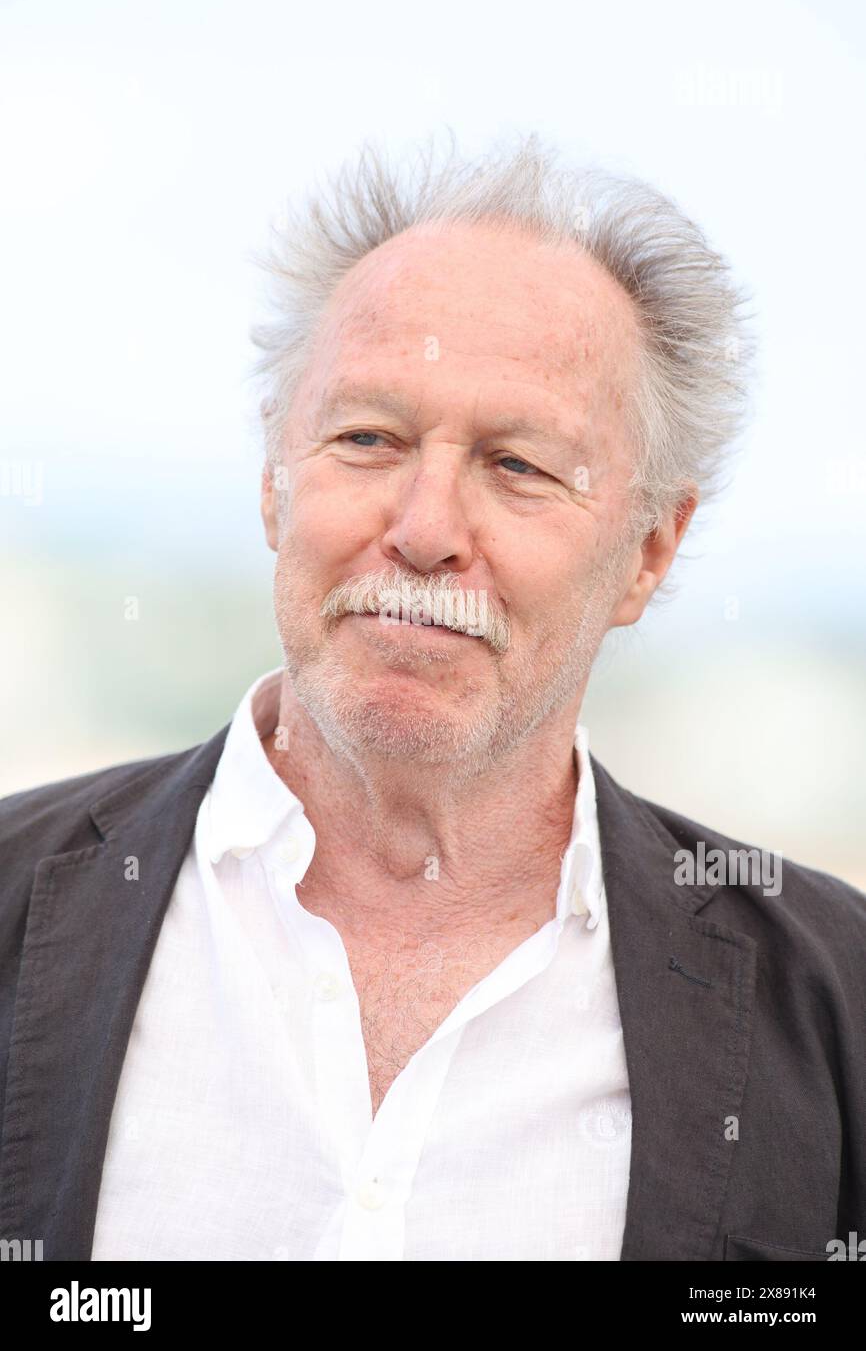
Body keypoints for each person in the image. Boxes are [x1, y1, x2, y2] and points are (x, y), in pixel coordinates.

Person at [1, 133, 863, 1262]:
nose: (422, 531)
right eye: (366, 437)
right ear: (274, 484)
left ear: (649, 551)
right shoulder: (19, 906)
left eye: (517, 465)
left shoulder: (834, 1009)